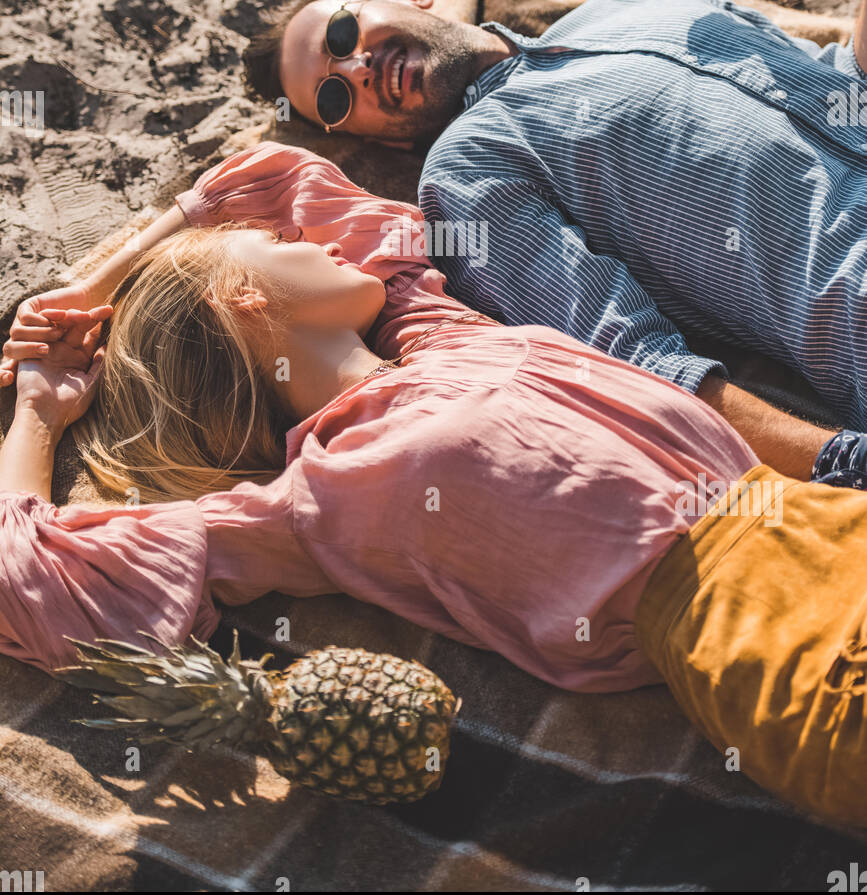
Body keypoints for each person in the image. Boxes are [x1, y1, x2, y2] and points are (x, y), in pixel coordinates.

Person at [1, 140, 865, 830]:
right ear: (241, 299)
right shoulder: (325, 492)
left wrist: (91, 287)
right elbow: (28, 573)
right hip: (783, 643)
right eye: (278, 247)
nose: (306, 237)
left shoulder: (440, 333)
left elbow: (270, 172)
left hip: (835, 523)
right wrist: (39, 409)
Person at [176, 0, 867, 466]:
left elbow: (842, 79)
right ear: (371, 136)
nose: (355, 70)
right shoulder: (470, 175)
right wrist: (837, 460)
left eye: (343, 38)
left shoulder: (636, 0)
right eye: (334, 99)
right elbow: (641, 367)